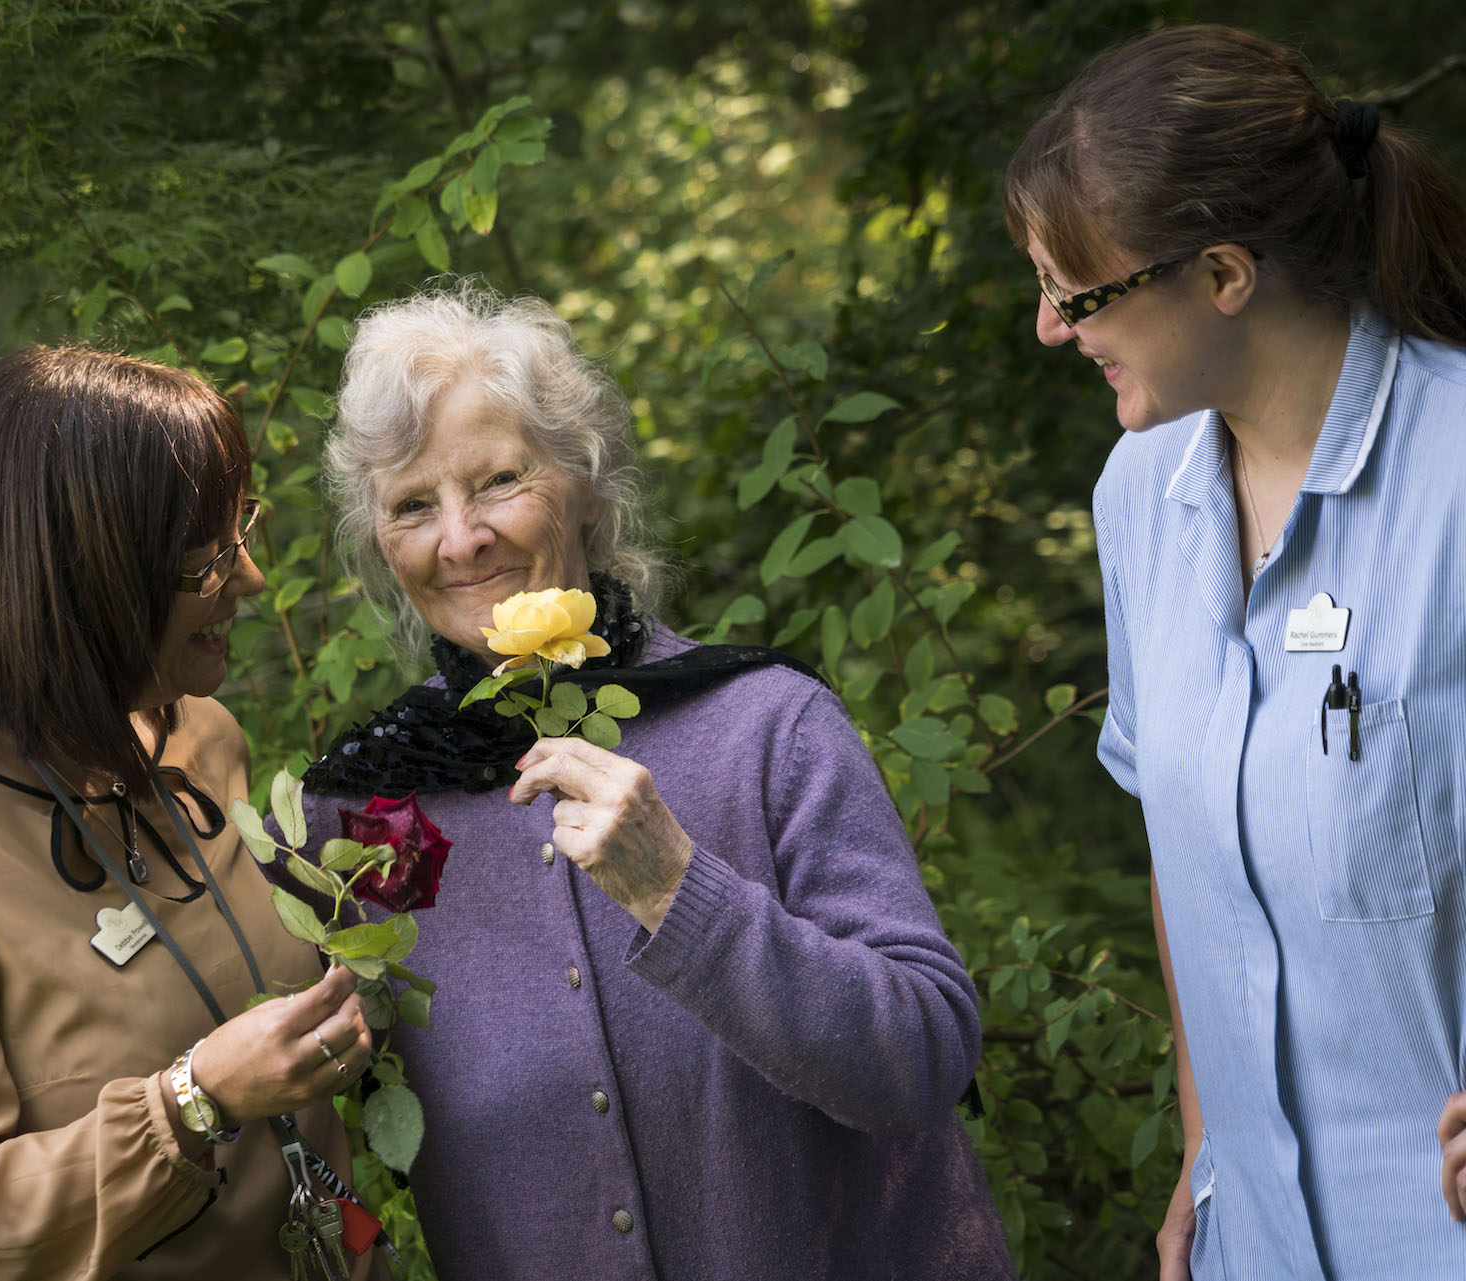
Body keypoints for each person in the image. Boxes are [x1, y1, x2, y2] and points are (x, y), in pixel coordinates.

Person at [279, 281, 1013, 1279]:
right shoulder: (355, 820)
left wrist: (680, 891)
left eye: (497, 481)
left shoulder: (767, 725)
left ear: (584, 484)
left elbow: (926, 1058)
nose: (460, 538)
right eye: (414, 505)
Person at [1005, 24, 1466, 1281]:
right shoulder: (1138, 494)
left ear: (1221, 274)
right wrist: (1205, 1148)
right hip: (1248, 1241)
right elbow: (1188, 851)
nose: (1048, 329)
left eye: (1075, 294)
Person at [0, 346, 376, 1280]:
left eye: (240, 533)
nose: (252, 580)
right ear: (87, 579)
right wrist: (193, 1103)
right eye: (208, 561)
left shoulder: (197, 735)